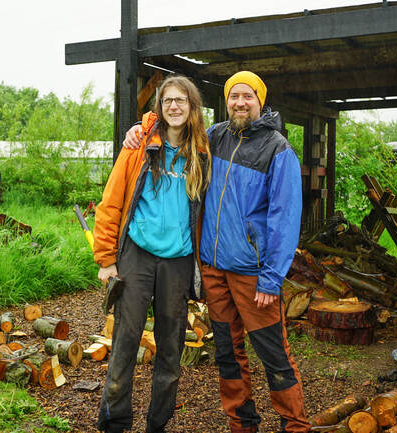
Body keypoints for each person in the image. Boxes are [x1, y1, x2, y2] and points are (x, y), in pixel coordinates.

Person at [123, 71, 311, 433]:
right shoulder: (213, 138)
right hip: (214, 271)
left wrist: (271, 279)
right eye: (234, 96)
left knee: (274, 354)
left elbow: (285, 220)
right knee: (227, 353)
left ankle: (295, 425)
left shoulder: (278, 149)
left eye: (248, 96)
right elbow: (172, 135)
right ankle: (242, 425)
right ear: (226, 101)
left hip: (253, 274)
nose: (240, 102)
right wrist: (141, 127)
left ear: (260, 100)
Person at [93, 75, 210, 433]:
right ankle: (115, 422)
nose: (174, 106)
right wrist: (106, 258)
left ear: (192, 107)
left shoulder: (203, 152)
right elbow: (111, 202)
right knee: (125, 342)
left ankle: (157, 424)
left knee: (171, 351)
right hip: (137, 256)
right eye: (168, 100)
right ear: (159, 107)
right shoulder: (140, 145)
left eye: (181, 100)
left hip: (178, 262)